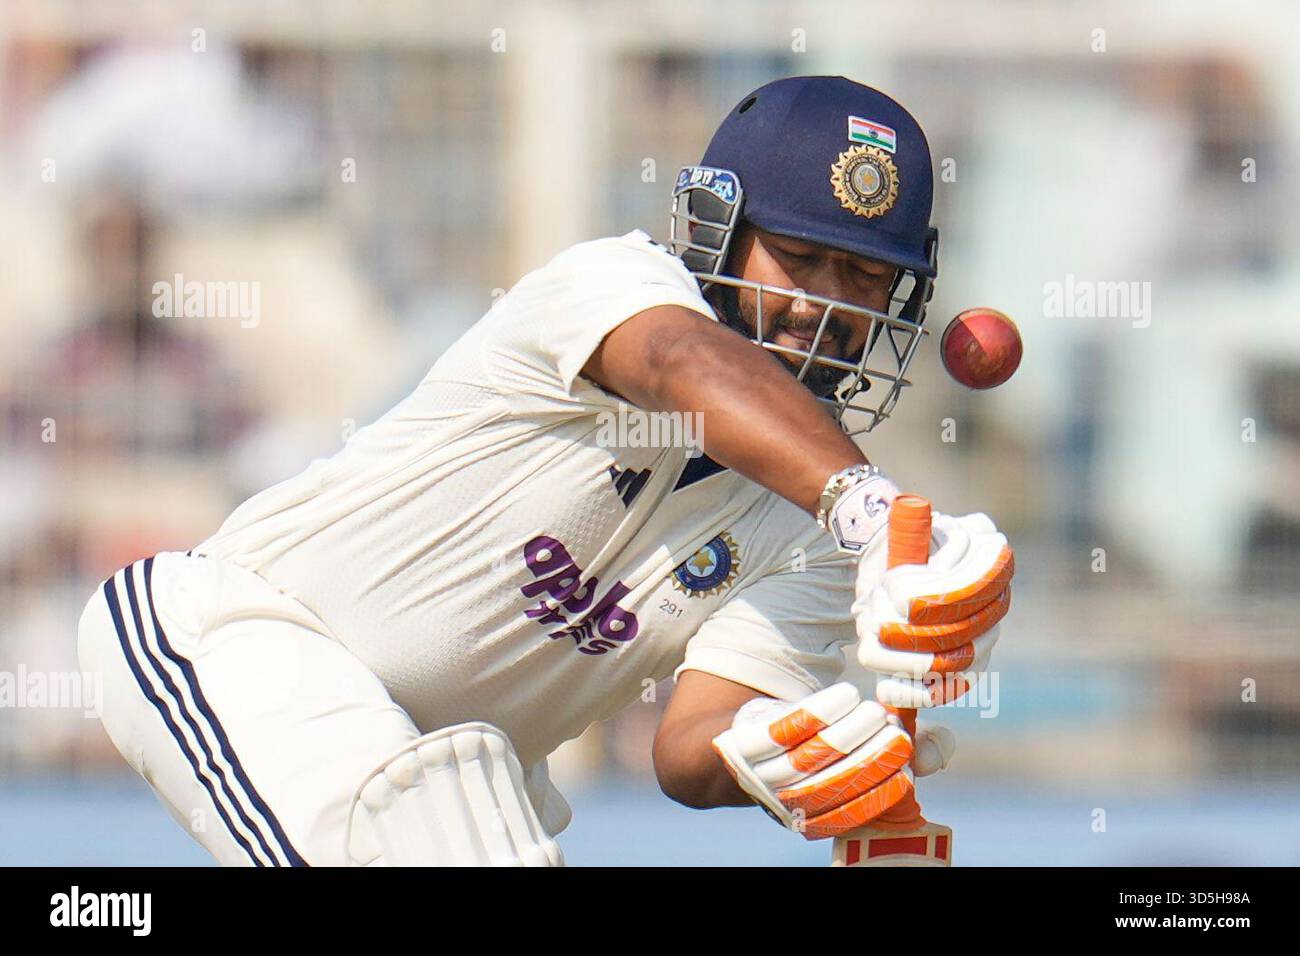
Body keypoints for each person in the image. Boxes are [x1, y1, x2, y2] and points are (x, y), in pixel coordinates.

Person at [77, 76, 1013, 866]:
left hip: (458, 769)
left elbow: (687, 751)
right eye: (801, 257)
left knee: (441, 814)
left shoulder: (817, 533)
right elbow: (682, 366)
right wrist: (869, 505)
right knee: (416, 822)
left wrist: (772, 756)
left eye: (863, 279)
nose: (826, 304)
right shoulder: (613, 288)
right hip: (240, 638)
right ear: (717, 236)